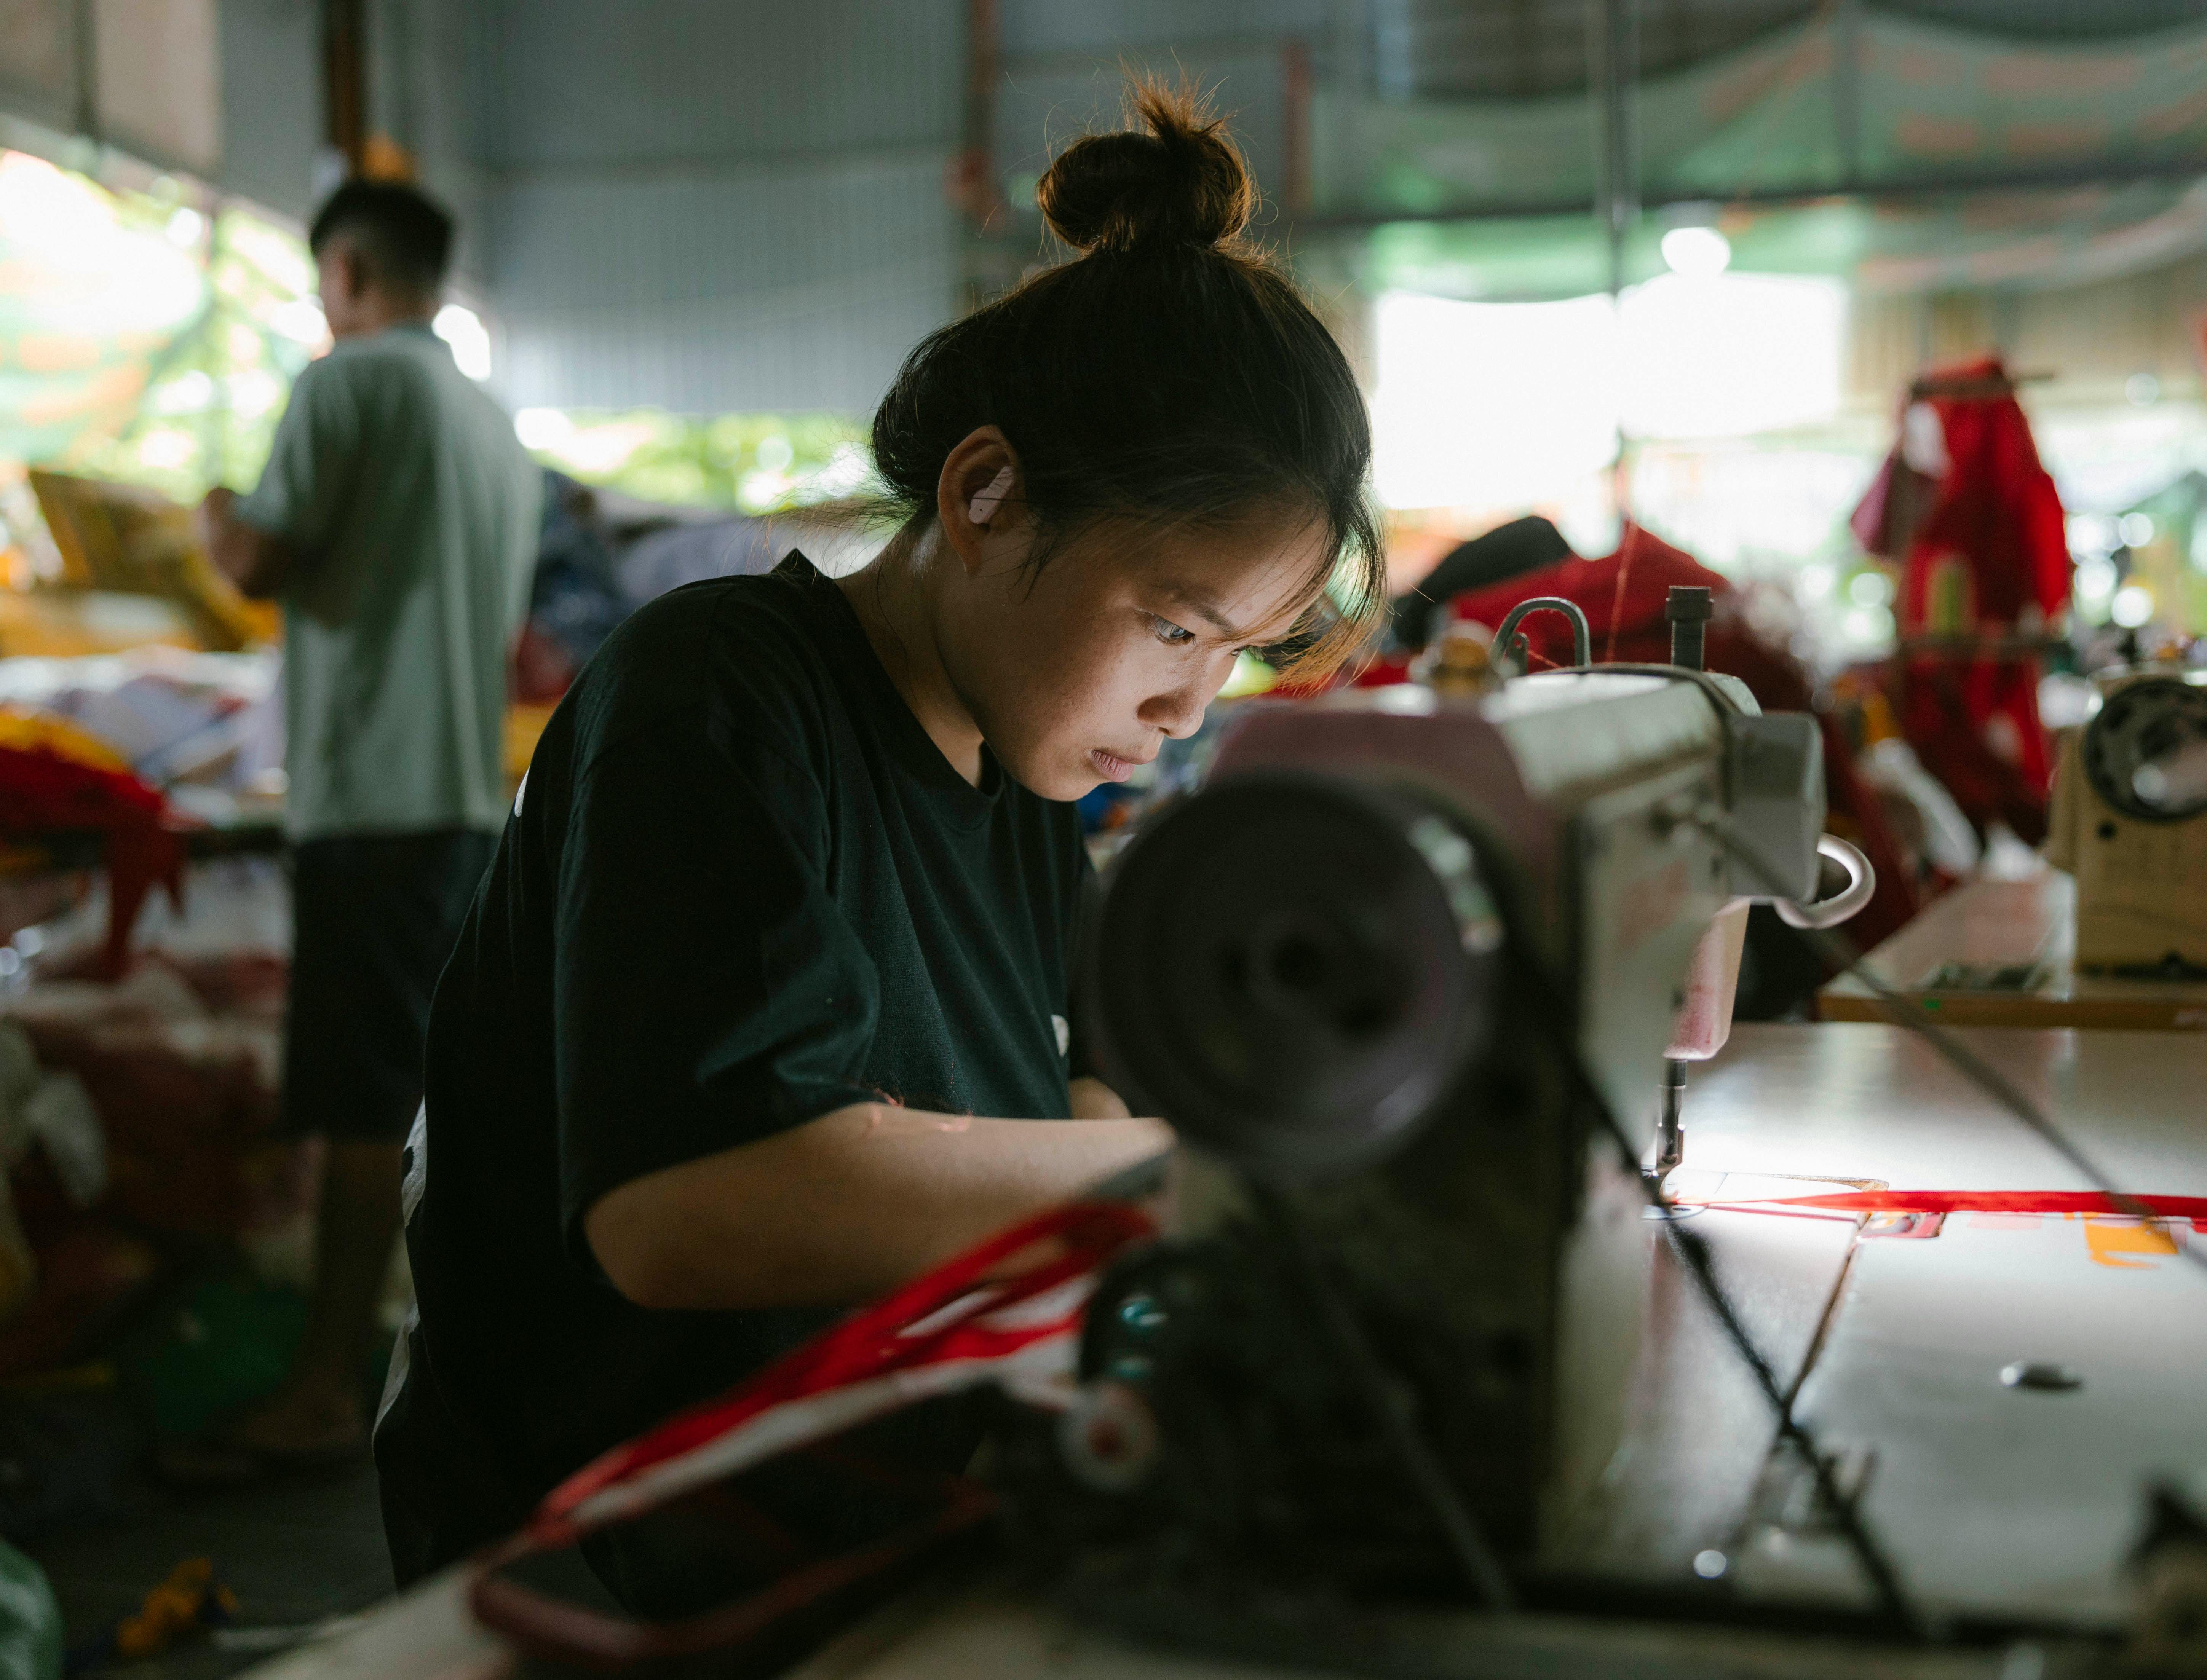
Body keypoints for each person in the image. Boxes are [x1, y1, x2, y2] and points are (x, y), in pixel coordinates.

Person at [371, 86, 1383, 1603]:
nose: (1186, 703)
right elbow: (684, 1209)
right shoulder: (716, 700)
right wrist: (1203, 1175)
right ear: (983, 496)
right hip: (610, 1580)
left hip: (863, 1520)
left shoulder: (1022, 783)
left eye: (1231, 653)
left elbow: (1086, 1099)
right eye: (1173, 625)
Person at [194, 180, 541, 1473]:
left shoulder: (346, 387)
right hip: (457, 801)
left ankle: (326, 1389)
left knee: (354, 1106)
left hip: (372, 804)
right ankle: (429, 1361)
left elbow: (259, 565)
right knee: (426, 1095)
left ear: (345, 271)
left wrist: (217, 516)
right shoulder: (490, 425)